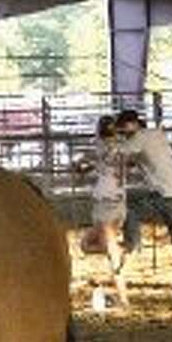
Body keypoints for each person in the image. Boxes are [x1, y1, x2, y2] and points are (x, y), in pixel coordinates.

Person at [115, 109, 172, 304]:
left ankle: (132, 244)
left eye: (123, 128)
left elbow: (117, 154)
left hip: (161, 197)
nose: (122, 132)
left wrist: (91, 159)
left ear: (132, 124)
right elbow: (141, 159)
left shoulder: (139, 138)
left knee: (130, 211)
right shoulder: (155, 134)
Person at [75, 114, 130, 308]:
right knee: (86, 245)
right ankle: (120, 250)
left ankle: (123, 298)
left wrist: (81, 167)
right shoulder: (121, 147)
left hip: (107, 204)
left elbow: (83, 161)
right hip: (115, 202)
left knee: (104, 250)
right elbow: (102, 165)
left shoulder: (100, 147)